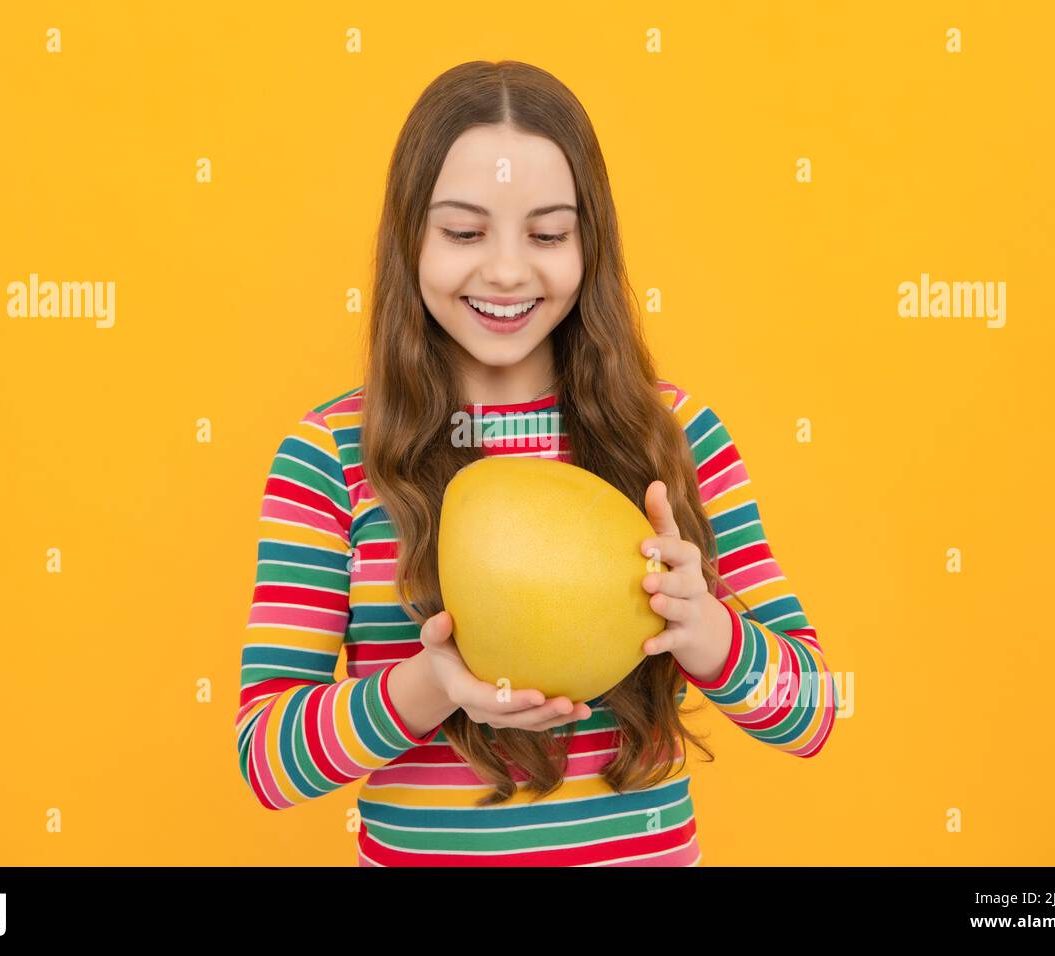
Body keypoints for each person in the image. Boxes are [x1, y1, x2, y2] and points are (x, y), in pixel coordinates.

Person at [235, 60, 837, 866]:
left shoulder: (674, 434)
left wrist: (708, 632)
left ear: (591, 242)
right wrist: (430, 686)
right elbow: (267, 761)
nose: (510, 270)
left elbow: (814, 709)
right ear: (409, 235)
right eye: (463, 231)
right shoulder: (333, 455)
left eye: (548, 233)